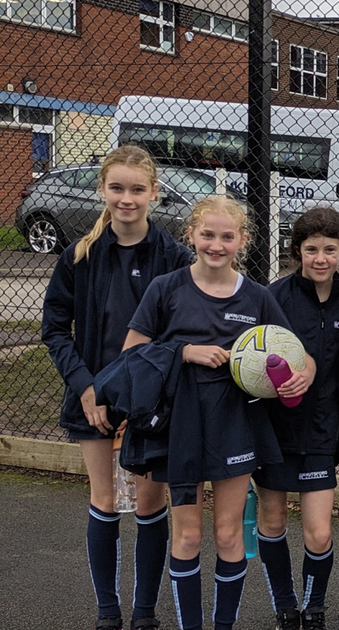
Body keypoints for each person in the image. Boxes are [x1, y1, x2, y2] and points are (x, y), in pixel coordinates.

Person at [122, 196, 314, 630]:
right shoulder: (166, 289)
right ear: (191, 235)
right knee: (188, 534)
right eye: (207, 234)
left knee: (229, 535)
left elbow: (295, 355)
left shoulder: (257, 297)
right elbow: (131, 353)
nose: (216, 244)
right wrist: (184, 351)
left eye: (227, 236)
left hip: (234, 423)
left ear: (242, 241)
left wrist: (300, 375)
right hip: (181, 425)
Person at [41, 145, 193, 630]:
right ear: (103, 191)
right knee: (104, 501)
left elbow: (183, 332)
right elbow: (54, 328)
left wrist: (142, 399)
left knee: (149, 504)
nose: (126, 198)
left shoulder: (174, 258)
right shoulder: (79, 255)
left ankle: (145, 614)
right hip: (93, 402)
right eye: (117, 188)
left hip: (151, 406)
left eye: (137, 189)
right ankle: (109, 613)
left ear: (153, 193)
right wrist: (86, 387)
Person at [254, 206, 339, 630]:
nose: (320, 258)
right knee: (273, 519)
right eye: (311, 249)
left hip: (322, 432)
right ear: (297, 250)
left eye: (329, 250)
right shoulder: (273, 297)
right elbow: (252, 358)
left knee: (318, 532)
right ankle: (285, 606)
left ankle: (315, 608)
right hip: (275, 430)